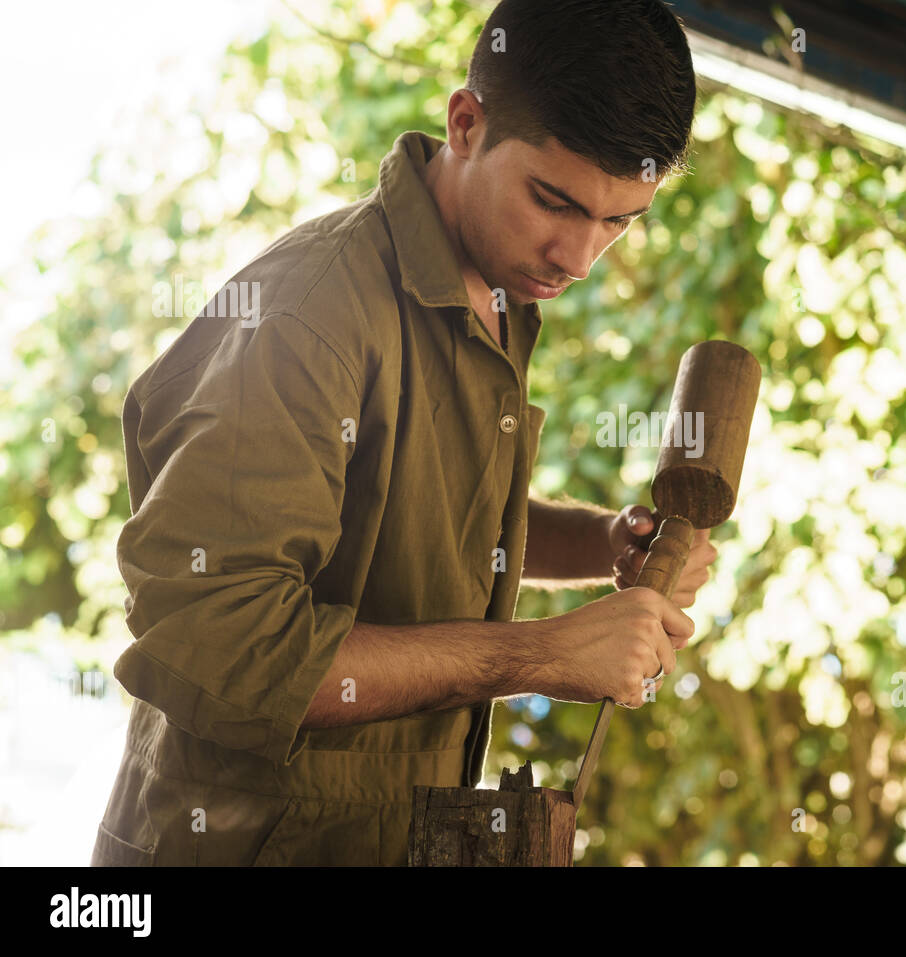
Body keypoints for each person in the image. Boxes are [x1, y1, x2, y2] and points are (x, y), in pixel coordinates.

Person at [91, 0, 712, 866]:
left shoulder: (497, 287)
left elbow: (421, 513)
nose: (578, 257)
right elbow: (219, 638)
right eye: (555, 201)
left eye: (618, 221)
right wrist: (534, 653)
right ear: (465, 123)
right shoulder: (307, 314)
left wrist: (601, 540)